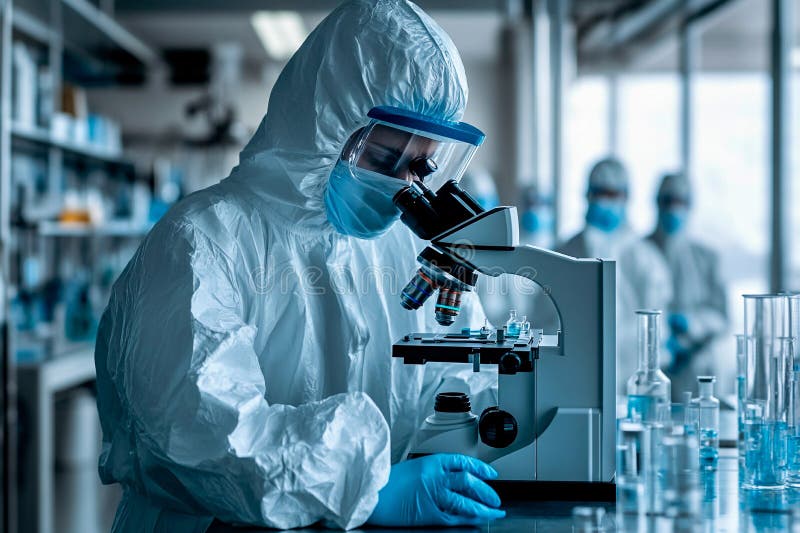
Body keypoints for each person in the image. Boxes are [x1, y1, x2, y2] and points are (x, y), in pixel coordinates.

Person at [94, 1, 504, 531]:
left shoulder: (406, 251)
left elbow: (462, 373)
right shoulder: (203, 241)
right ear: (325, 124)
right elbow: (196, 429)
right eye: (382, 160)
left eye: (419, 165)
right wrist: (365, 486)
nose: (402, 187)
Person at [540, 158, 673, 398]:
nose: (605, 201)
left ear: (626, 197)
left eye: (613, 194)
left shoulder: (644, 258)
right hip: (575, 373)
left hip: (631, 376)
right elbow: (544, 316)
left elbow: (655, 325)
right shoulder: (563, 252)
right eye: (600, 193)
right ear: (587, 194)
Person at [647, 173, 728, 400]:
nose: (674, 209)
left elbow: (721, 315)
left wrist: (691, 324)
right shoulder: (638, 253)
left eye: (680, 202)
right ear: (656, 203)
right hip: (649, 365)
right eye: (668, 201)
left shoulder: (707, 257)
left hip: (696, 367)